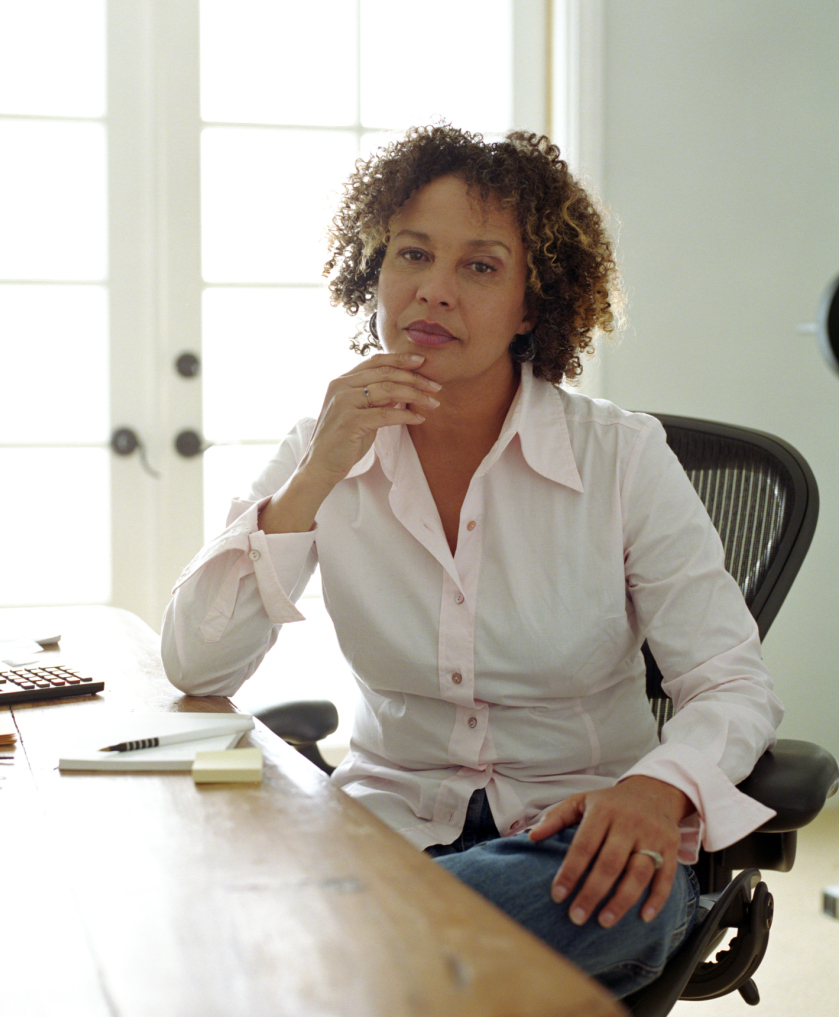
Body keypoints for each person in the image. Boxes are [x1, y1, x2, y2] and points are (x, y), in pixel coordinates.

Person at [160, 125, 782, 998]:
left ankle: (322, 947)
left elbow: (729, 679)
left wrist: (658, 789)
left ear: (534, 303)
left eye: (480, 267)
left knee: (605, 899)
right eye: (411, 254)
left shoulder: (621, 457)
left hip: (575, 848)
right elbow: (196, 660)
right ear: (373, 270)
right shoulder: (323, 449)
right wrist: (315, 479)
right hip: (388, 829)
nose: (434, 291)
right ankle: (357, 948)